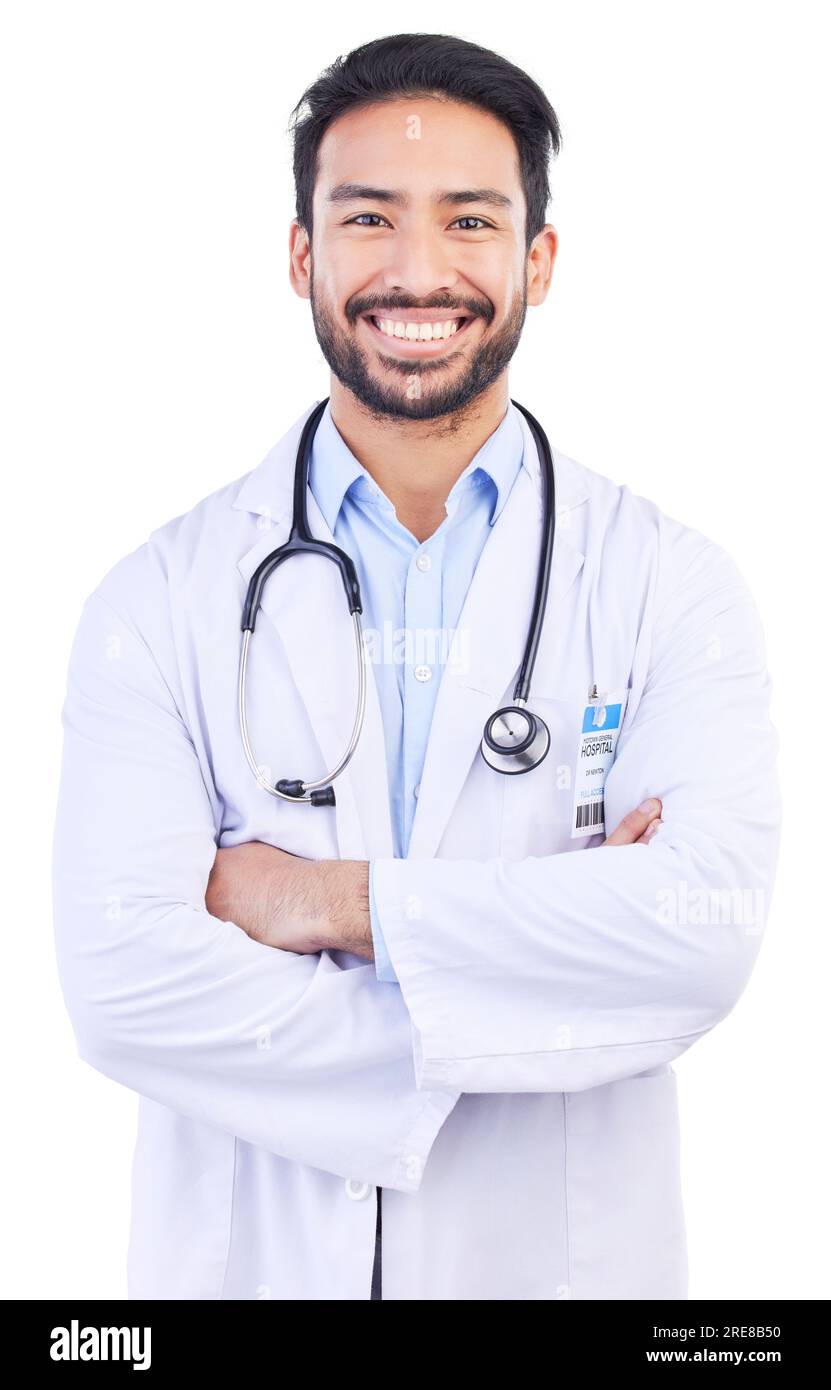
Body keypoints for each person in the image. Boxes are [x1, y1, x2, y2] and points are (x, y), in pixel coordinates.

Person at [52, 32, 781, 1300]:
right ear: (302, 256)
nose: (418, 271)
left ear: (539, 261)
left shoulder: (673, 585)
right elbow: (122, 987)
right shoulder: (158, 599)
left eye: (472, 221)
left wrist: (325, 905)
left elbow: (697, 942)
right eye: (370, 217)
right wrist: (541, 965)